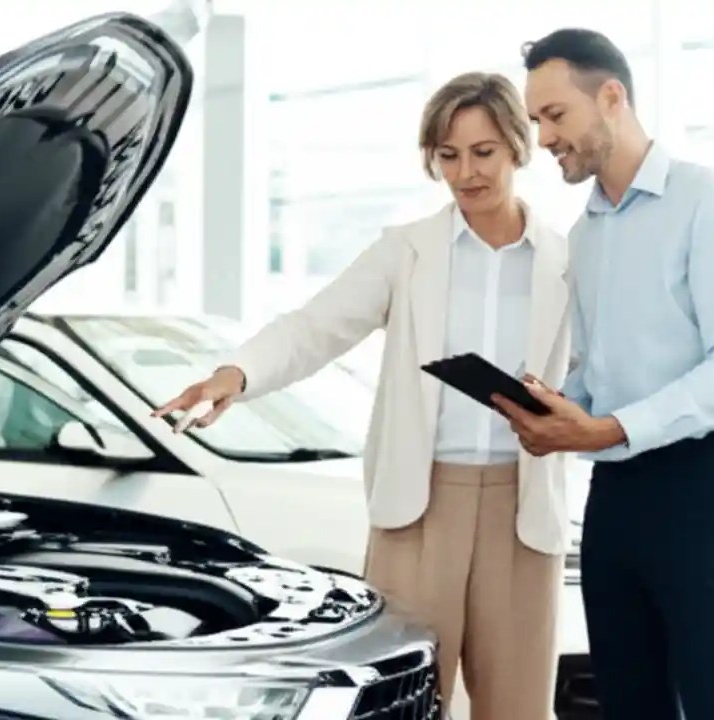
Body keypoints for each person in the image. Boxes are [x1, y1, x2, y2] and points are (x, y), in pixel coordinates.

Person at [153, 72, 571, 720]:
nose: (466, 172)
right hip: (421, 507)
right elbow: (316, 326)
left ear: (518, 148)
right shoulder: (405, 252)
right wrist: (236, 375)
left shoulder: (564, 260)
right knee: (400, 704)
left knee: (518, 710)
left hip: (524, 513)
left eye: (483, 152)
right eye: (448, 154)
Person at [493, 28, 714, 720]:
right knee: (627, 704)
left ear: (611, 96)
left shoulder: (712, 206)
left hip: (702, 491)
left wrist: (607, 426)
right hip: (614, 496)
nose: (544, 138)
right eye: (536, 122)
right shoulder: (586, 237)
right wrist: (553, 413)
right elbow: (597, 375)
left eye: (555, 115)